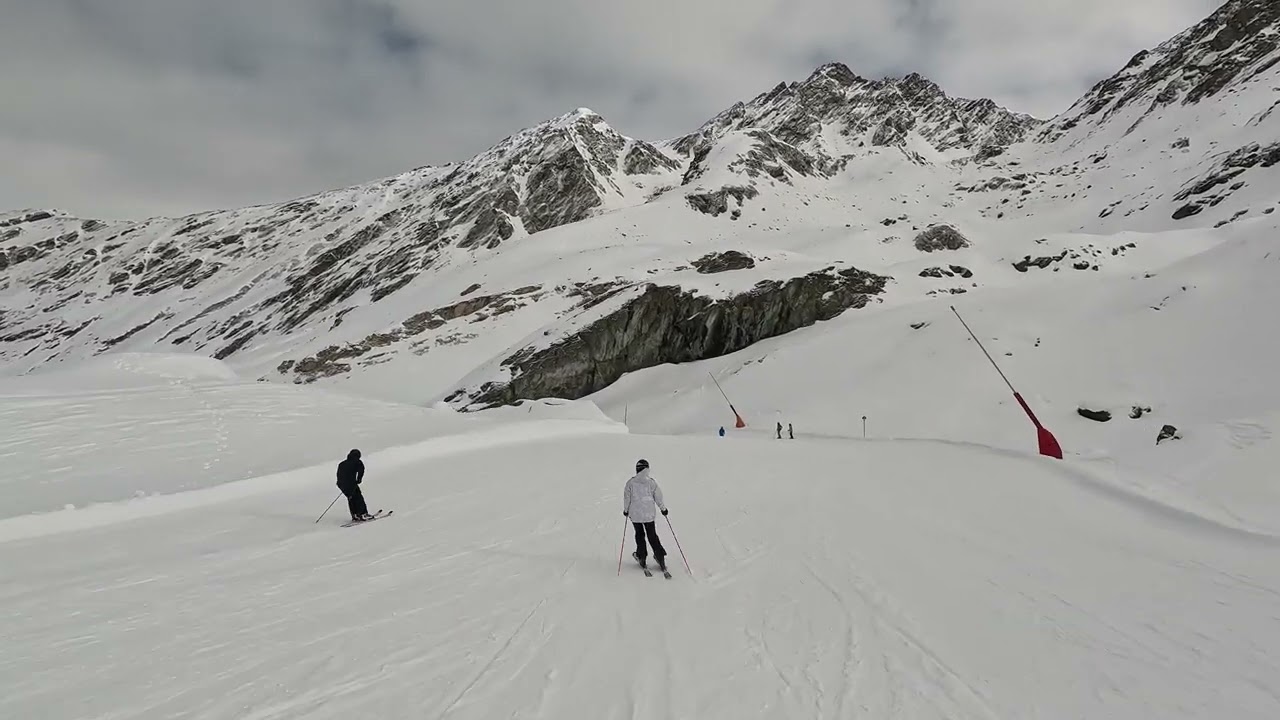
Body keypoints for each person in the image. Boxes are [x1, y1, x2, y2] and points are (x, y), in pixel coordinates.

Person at [623, 459, 668, 572]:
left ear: (637, 469)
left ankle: (641, 556)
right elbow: (658, 497)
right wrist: (663, 509)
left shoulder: (630, 483)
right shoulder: (651, 482)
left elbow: (627, 498)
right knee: (652, 535)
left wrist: (626, 510)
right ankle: (660, 557)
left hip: (636, 515)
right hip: (649, 515)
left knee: (639, 535)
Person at [336, 449, 372, 522]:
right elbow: (361, 471)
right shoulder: (357, 462)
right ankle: (363, 514)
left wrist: (343, 484)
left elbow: (339, 474)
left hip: (341, 484)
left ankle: (355, 515)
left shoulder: (342, 463)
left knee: (351, 498)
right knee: (358, 497)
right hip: (351, 484)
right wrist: (359, 480)